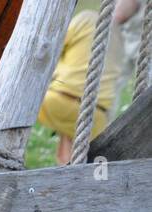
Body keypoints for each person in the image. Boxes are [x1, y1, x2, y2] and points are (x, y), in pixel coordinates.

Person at [38, 0, 140, 164]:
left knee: (15, 109)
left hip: (58, 101)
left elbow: (53, 48)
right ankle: (69, 175)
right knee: (77, 136)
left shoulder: (85, 18)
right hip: (97, 116)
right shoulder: (121, 40)